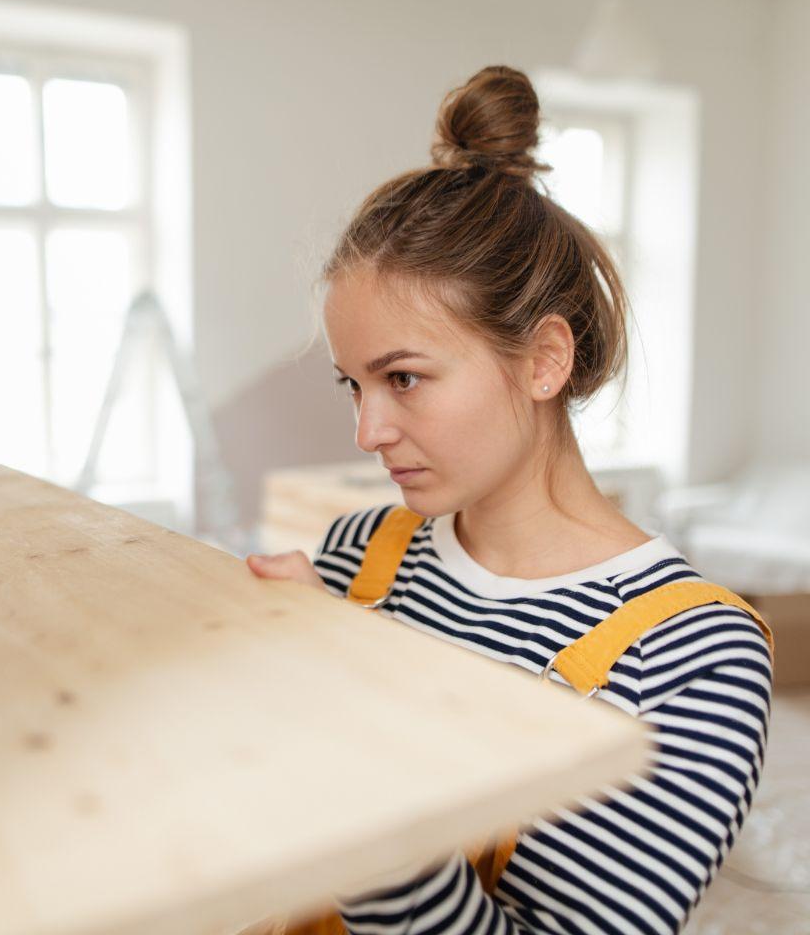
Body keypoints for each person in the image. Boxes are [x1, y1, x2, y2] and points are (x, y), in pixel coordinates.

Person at [244, 66, 774, 935]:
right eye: (353, 384)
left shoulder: (691, 658)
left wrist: (350, 711)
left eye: (404, 378)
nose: (367, 431)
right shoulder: (356, 553)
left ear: (543, 361)